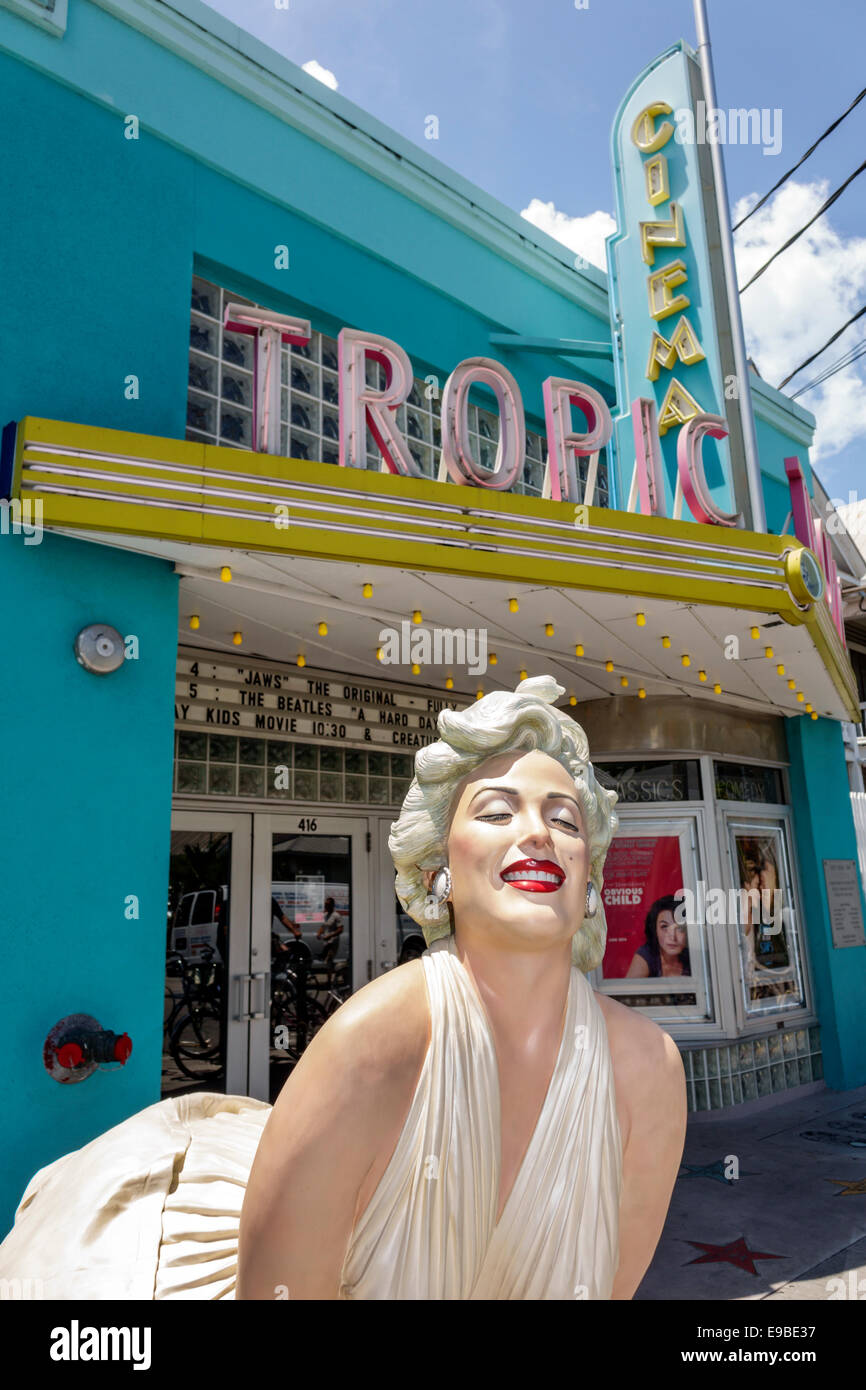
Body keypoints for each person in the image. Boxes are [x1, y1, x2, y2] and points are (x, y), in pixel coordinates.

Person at [238, 675, 686, 1300]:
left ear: (591, 879)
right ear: (436, 869)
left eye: (564, 819)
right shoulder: (370, 1047)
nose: (536, 833)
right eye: (497, 811)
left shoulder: (650, 1071)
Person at [626, 895, 691, 978]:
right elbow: (629, 990)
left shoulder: (694, 955)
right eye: (664, 926)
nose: (672, 937)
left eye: (680, 928)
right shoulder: (647, 954)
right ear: (655, 930)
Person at [315, 897, 343, 965]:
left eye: (327, 904)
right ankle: (335, 972)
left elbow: (340, 929)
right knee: (327, 962)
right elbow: (323, 926)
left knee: (328, 961)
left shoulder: (336, 915)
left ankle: (337, 971)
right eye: (325, 904)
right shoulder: (325, 915)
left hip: (333, 942)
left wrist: (330, 936)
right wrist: (319, 933)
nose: (326, 906)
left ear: (332, 905)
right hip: (326, 942)